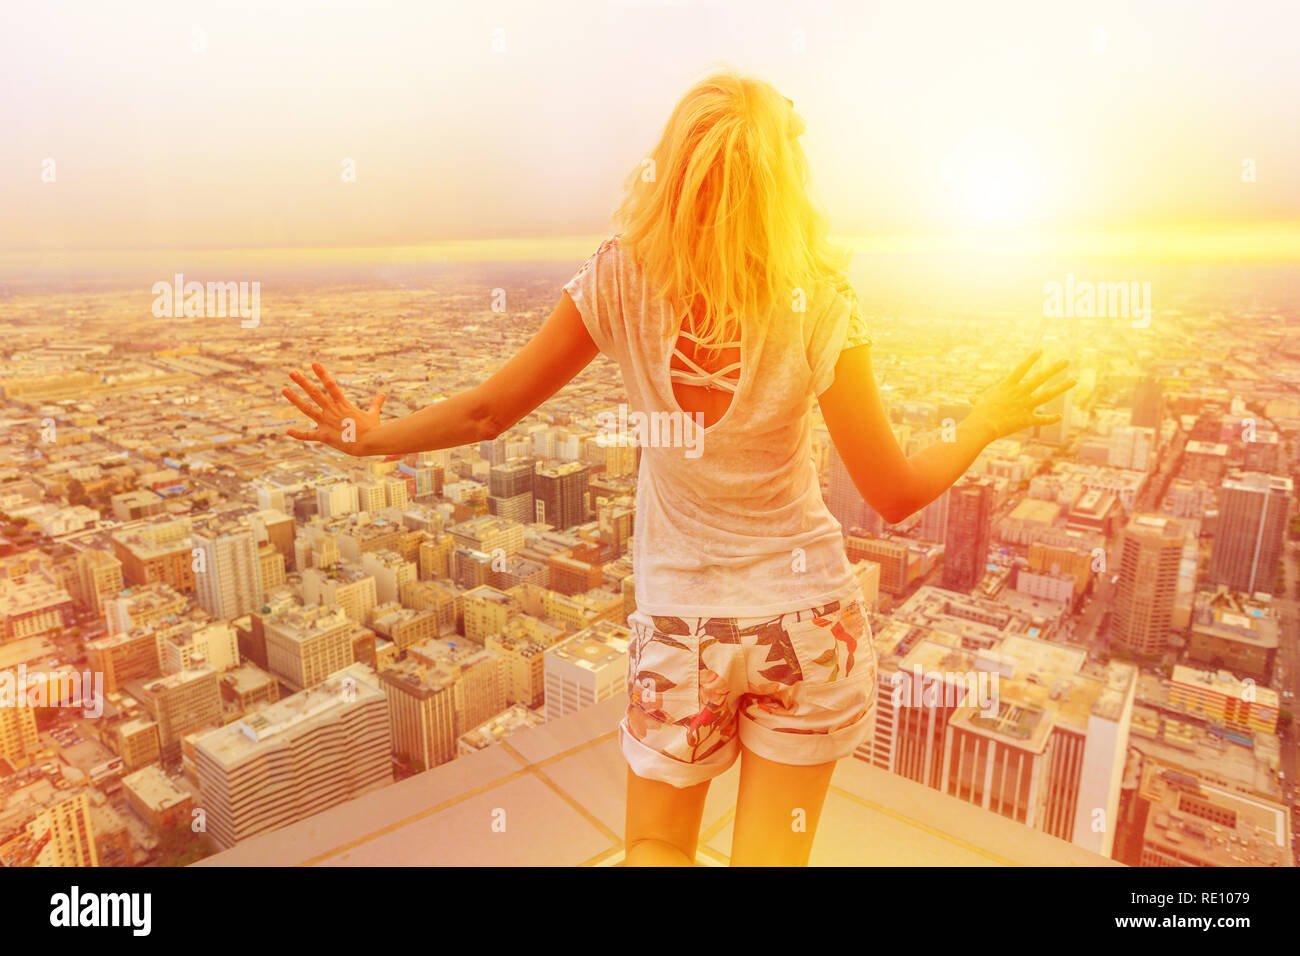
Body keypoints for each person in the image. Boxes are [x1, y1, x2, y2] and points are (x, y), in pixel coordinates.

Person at [281, 67, 1075, 867]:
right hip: (808, 623)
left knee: (657, 847)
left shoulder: (623, 276)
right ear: (781, 184)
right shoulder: (820, 298)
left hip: (682, 626)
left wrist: (368, 437)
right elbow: (894, 492)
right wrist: (985, 421)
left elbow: (491, 412)